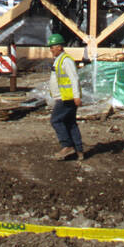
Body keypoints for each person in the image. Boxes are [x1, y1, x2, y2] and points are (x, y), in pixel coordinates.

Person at [48, 32, 83, 160]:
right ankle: (79, 150)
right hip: (65, 97)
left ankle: (67, 145)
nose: (51, 50)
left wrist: (76, 96)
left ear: (59, 47)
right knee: (70, 122)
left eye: (52, 47)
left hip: (66, 98)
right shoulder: (59, 60)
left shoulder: (66, 60)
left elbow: (74, 79)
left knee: (56, 120)